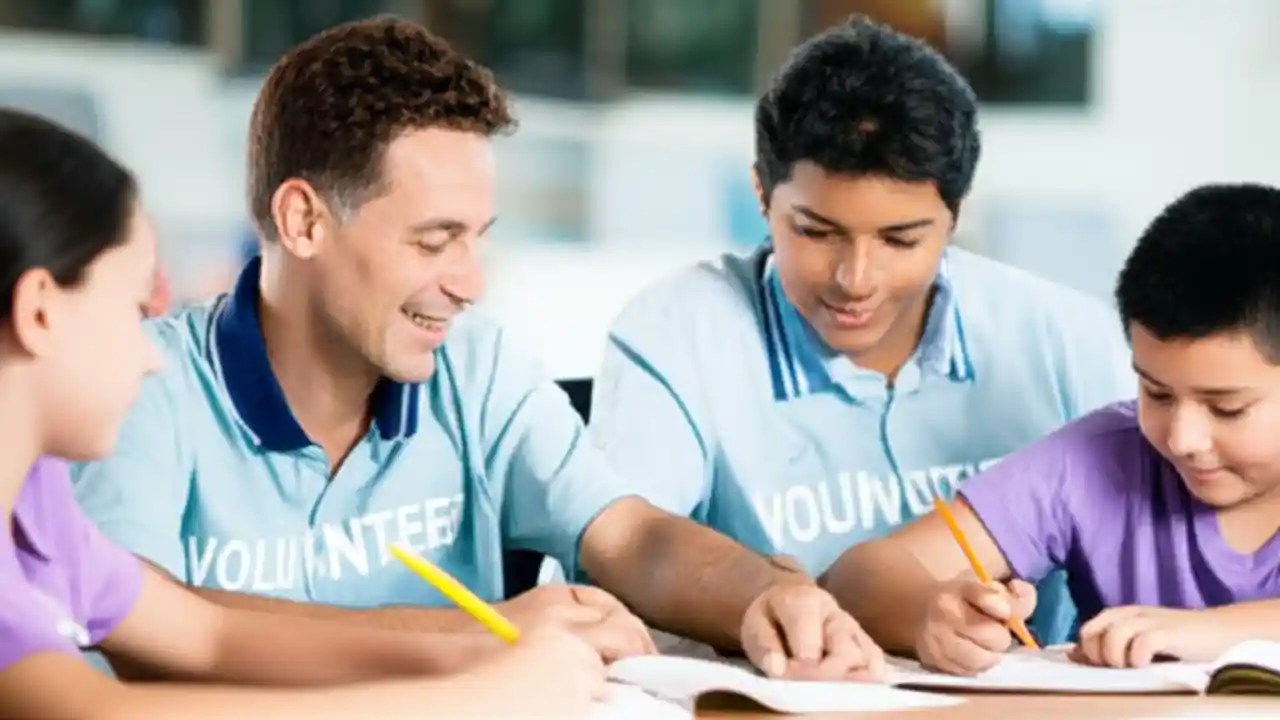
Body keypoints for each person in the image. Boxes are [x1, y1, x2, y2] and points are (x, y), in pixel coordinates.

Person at [71, 16, 883, 681]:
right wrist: (472, 636)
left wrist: (760, 596)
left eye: (479, 239)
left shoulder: (476, 367)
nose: (470, 283)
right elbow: (140, 621)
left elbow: (628, 535)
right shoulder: (146, 384)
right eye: (434, 242)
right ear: (304, 221)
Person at [0, 107, 609, 719]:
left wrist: (478, 652)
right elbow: (93, 713)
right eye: (134, 313)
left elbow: (209, 636)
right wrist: (476, 698)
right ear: (41, 312)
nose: (149, 356)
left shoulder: (35, 500)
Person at [588, 14, 1132, 647]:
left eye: (901, 239)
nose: (856, 279)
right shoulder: (677, 333)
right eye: (816, 232)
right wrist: (753, 592)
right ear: (762, 195)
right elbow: (623, 542)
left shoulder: (1067, 337)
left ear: (954, 216)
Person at [828, 183, 1280, 674]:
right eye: (1157, 393)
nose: (1181, 439)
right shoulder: (1096, 459)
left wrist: (1204, 632)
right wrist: (931, 614)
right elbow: (857, 578)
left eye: (1228, 408)